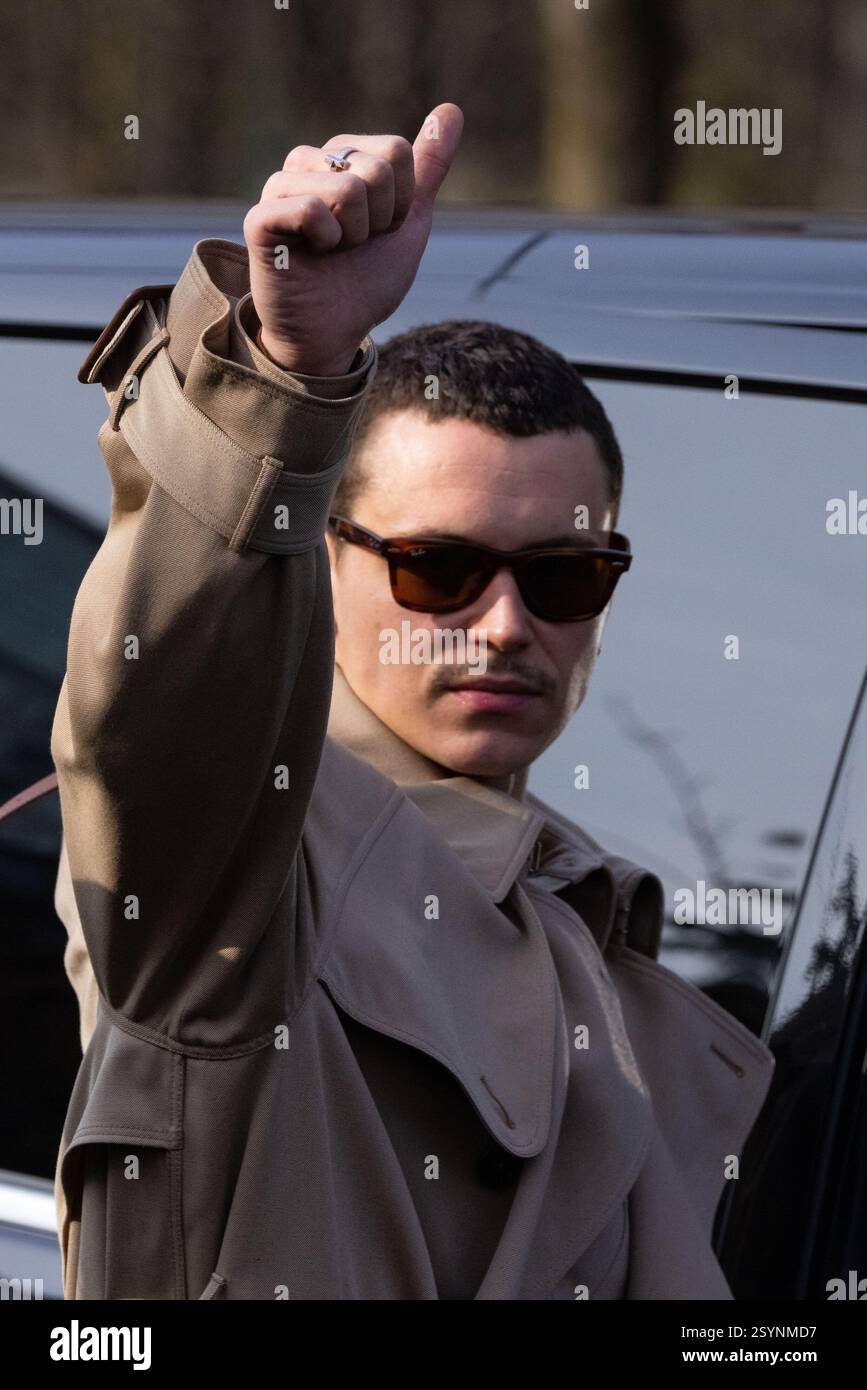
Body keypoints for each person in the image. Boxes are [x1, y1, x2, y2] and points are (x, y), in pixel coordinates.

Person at [52, 102, 774, 1301]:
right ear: (325, 556)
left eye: (563, 575)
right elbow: (162, 709)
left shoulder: (590, 927)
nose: (504, 626)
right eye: (437, 568)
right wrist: (284, 382)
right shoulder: (255, 849)